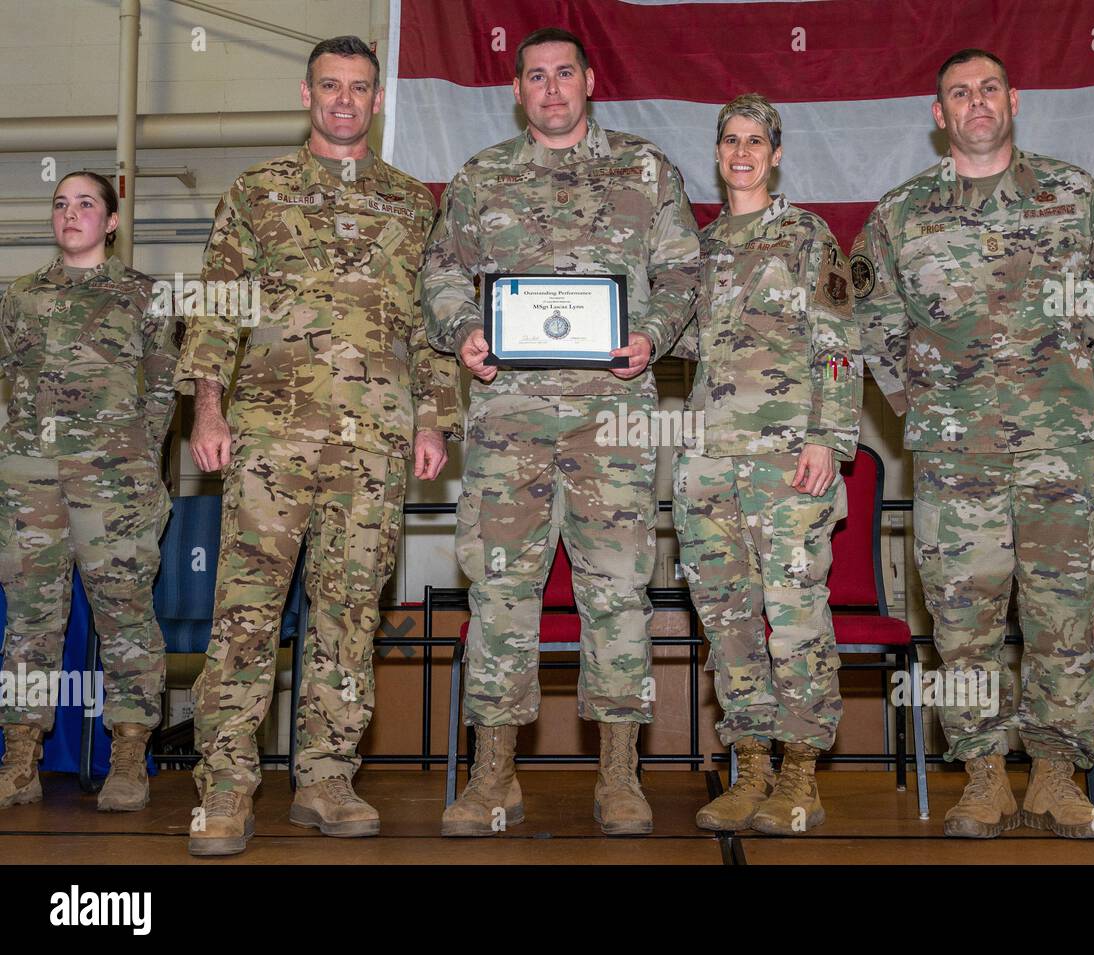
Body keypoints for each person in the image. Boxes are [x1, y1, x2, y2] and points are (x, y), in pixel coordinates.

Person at [178, 36, 461, 856]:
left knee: (348, 617)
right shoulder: (257, 191)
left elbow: (433, 325)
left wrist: (434, 418)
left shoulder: (414, 203)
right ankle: (226, 789)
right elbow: (216, 306)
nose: (344, 100)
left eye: (359, 88)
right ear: (307, 96)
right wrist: (207, 409)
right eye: (330, 86)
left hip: (372, 447)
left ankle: (326, 778)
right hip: (267, 438)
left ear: (377, 102)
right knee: (245, 614)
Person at [852, 49, 1094, 839]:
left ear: (1014, 99)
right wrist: (925, 411)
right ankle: (981, 778)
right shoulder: (901, 215)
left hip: (1060, 454)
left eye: (988, 90)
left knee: (1062, 618)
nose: (975, 103)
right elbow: (876, 329)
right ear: (938, 116)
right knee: (961, 621)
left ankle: (1054, 776)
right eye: (957, 94)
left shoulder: (1075, 197)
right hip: (954, 458)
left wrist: (1073, 398)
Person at [423, 27, 699, 836]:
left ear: (589, 81)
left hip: (610, 420)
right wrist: (462, 329)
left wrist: (650, 331)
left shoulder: (644, 171)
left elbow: (684, 271)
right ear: (518, 91)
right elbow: (440, 269)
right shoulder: (482, 178)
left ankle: (619, 775)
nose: (550, 89)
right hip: (508, 419)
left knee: (615, 593)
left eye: (564, 74)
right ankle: (493, 776)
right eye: (535, 77)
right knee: (502, 591)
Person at [672, 94, 860, 835]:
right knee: (728, 625)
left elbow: (839, 342)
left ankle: (801, 776)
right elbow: (668, 340)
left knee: (795, 621)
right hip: (707, 466)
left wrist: (828, 437)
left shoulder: (807, 236)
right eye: (730, 140)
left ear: (775, 153)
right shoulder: (699, 249)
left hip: (787, 465)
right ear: (717, 153)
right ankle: (750, 768)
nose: (742, 151)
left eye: (756, 140)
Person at [0, 171, 177, 813]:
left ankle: (128, 758)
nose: (69, 214)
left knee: (125, 616)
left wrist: (136, 466)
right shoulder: (21, 297)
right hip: (30, 484)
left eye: (85, 204)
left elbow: (161, 393)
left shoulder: (144, 296)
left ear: (110, 221)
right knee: (28, 622)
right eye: (60, 204)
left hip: (115, 485)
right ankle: (20, 759)